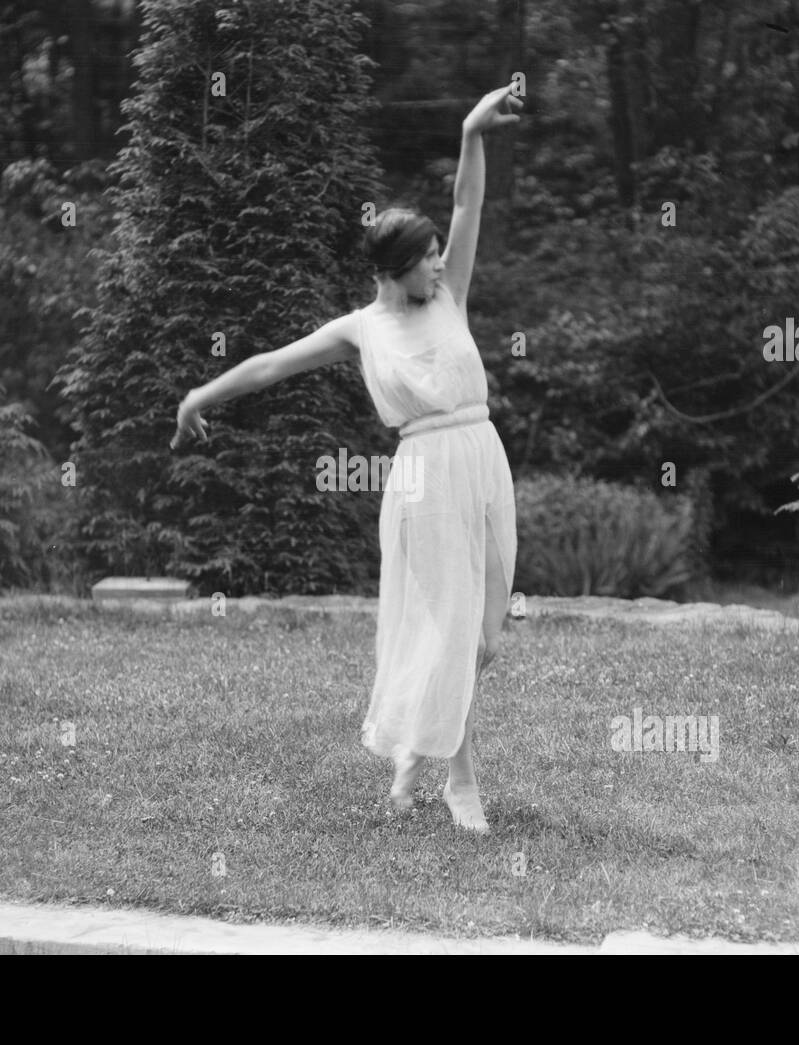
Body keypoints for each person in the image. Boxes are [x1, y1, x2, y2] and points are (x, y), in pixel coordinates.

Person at [172, 84, 522, 833]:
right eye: (427, 260)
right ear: (395, 271)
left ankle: (410, 746)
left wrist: (470, 132)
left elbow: (467, 208)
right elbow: (269, 365)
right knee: (449, 624)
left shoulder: (451, 296)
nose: (440, 265)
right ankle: (460, 781)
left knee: (484, 631)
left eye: (438, 257)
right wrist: (200, 394)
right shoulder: (362, 329)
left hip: (483, 457)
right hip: (425, 474)